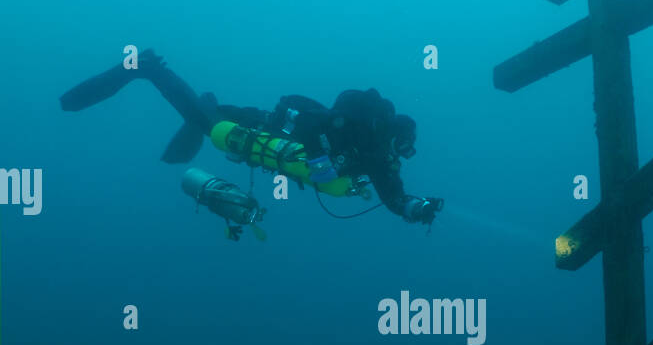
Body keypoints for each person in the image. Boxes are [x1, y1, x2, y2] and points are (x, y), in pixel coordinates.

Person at [59, 50, 444, 226]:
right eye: (401, 148)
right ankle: (147, 69)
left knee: (210, 114)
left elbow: (392, 196)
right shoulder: (356, 129)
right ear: (391, 135)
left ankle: (206, 103)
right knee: (205, 121)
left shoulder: (378, 159)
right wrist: (323, 172)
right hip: (266, 131)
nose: (400, 157)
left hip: (271, 135)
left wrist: (415, 208)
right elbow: (311, 128)